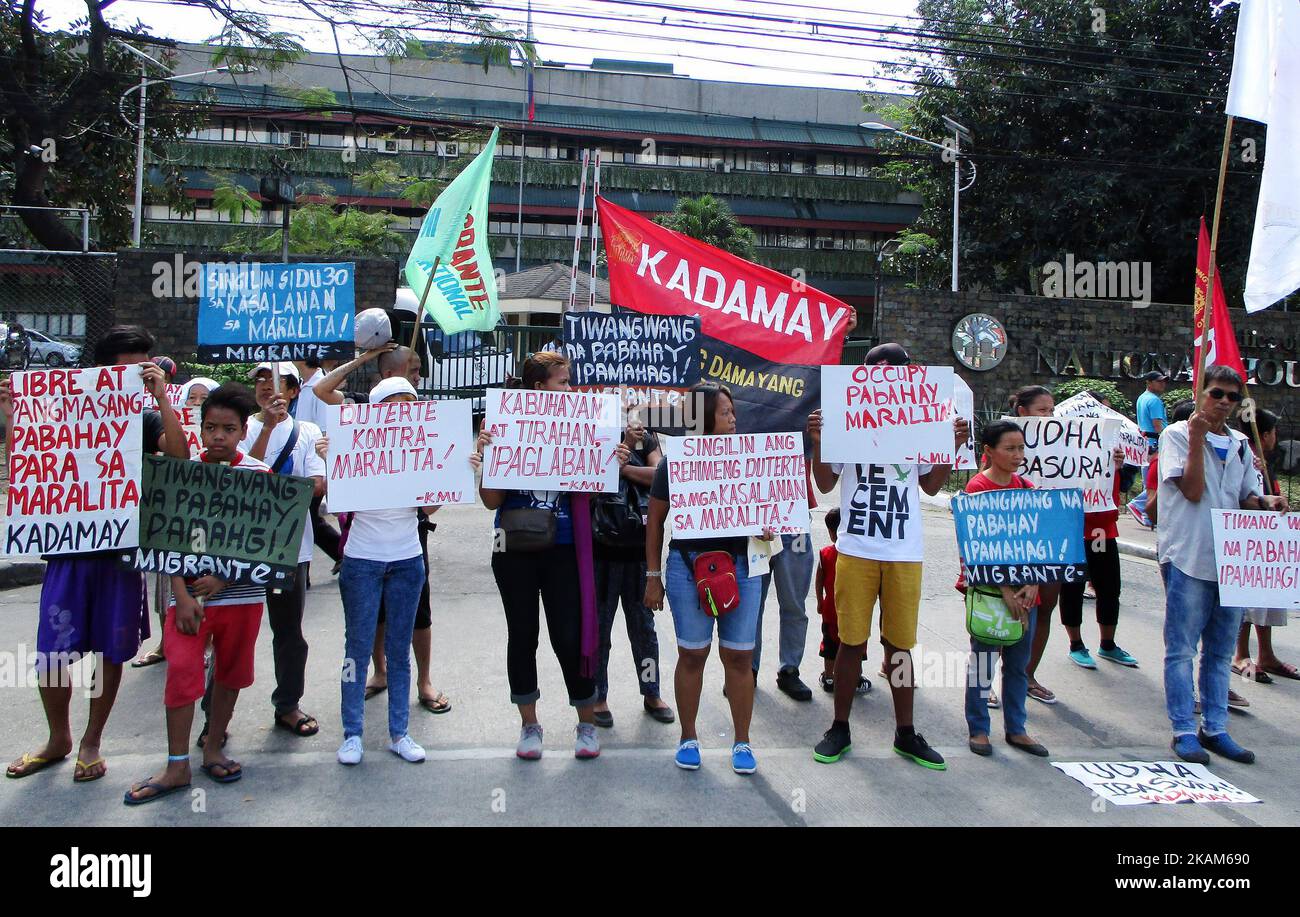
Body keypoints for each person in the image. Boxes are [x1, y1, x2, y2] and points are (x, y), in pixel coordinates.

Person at [6, 325, 186, 783]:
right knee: (51, 654)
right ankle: (58, 738)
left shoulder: (145, 419)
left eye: (145, 365)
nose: (138, 374)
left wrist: (162, 398)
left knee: (109, 651)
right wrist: (13, 410)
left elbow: (180, 456)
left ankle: (91, 741)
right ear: (105, 369)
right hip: (67, 551)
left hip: (120, 552)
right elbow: (31, 456)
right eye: (129, 366)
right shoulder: (60, 408)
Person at [808, 343, 969, 770]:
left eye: (891, 372)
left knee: (900, 646)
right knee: (849, 642)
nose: (882, 380)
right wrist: (820, 441)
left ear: (908, 376)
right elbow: (825, 484)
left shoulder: (919, 421)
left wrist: (950, 445)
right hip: (856, 548)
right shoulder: (847, 420)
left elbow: (932, 486)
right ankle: (839, 726)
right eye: (873, 372)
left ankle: (905, 732)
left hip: (904, 551)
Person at [476, 352, 628, 761]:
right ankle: (529, 724)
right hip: (513, 549)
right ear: (539, 387)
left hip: (565, 548)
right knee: (522, 635)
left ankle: (586, 722)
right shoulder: (505, 427)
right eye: (563, 382)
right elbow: (491, 500)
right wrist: (487, 455)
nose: (571, 389)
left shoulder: (580, 426)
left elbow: (594, 487)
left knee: (569, 635)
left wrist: (613, 462)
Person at [124, 383, 267, 804]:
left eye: (228, 428)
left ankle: (213, 746)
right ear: (199, 430)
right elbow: (167, 537)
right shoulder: (181, 472)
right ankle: (175, 764)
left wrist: (223, 579)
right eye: (210, 428)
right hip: (185, 600)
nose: (218, 436)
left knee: (231, 674)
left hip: (241, 598)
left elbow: (263, 540)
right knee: (181, 676)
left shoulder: (259, 475)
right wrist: (181, 594)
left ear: (243, 431)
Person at [1159, 366, 1286, 765]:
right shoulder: (1176, 436)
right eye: (1217, 394)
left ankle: (1215, 728)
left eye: (1233, 397)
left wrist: (1267, 503)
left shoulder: (1241, 445)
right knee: (1181, 650)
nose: (1225, 403)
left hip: (1232, 560)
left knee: (1218, 653)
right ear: (1200, 393)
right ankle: (1183, 729)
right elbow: (1193, 491)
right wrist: (1197, 436)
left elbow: (1246, 496)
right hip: (1189, 556)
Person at [645, 381, 766, 775]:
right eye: (724, 413)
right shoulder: (673, 463)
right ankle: (688, 736)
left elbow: (770, 511)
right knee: (692, 654)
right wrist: (653, 575)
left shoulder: (750, 457)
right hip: (687, 566)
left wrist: (768, 527)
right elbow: (656, 523)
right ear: (702, 418)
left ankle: (743, 742)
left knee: (740, 655)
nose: (733, 419)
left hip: (743, 567)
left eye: (734, 412)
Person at [336, 376, 436, 766]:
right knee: (356, 649)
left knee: (399, 650)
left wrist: (456, 473)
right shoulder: (355, 445)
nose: (400, 412)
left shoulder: (424, 449)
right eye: (392, 404)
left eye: (408, 404)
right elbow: (336, 499)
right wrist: (334, 458)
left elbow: (427, 510)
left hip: (408, 559)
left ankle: (399, 732)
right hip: (362, 560)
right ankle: (352, 734)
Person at [240, 362, 326, 738]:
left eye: (275, 381)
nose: (265, 386)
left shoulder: (306, 431)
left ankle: (288, 704)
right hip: (241, 547)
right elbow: (242, 476)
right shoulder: (240, 427)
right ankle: (214, 714)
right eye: (259, 380)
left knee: (288, 631)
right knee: (228, 630)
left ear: (293, 391)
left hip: (292, 547)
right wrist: (267, 429)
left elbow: (317, 485)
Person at [959, 420, 1049, 758]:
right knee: (983, 661)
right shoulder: (977, 489)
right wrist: (1006, 591)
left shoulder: (1028, 488)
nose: (1017, 455)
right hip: (991, 594)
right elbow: (974, 546)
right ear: (989, 451)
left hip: (1028, 596)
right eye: (1009, 448)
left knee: (1018, 664)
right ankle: (979, 728)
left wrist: (1032, 583)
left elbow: (1039, 543)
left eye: (1021, 448)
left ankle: (1017, 728)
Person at [590, 417, 675, 727]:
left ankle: (651, 692)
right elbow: (588, 477)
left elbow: (660, 475)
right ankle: (599, 696)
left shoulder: (647, 437)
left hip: (638, 551)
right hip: (601, 550)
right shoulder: (594, 430)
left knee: (644, 630)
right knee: (599, 629)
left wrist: (624, 468)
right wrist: (622, 446)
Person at [1004, 385, 1063, 706]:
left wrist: (1109, 466)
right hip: (1015, 533)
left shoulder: (1062, 441)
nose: (1049, 416)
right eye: (1043, 410)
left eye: (1053, 410)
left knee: (1045, 605)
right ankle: (994, 678)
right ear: (1022, 412)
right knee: (1006, 608)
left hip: (1051, 531)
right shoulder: (1007, 440)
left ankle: (1028, 674)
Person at [1058, 441, 1139, 670]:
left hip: (1102, 530)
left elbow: (1123, 486)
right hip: (1072, 530)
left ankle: (1108, 643)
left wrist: (1118, 466)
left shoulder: (1111, 451)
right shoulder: (1062, 450)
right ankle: (1076, 645)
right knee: (1072, 587)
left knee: (1109, 587)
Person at [1232, 408, 1298, 684]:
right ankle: (1241, 655)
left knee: (1266, 596)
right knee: (1244, 598)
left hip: (1266, 539)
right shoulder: (1242, 455)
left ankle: (1267, 655)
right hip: (1244, 537)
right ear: (1267, 434)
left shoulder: (1261, 461)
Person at [291, 356, 343, 565]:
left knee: (310, 519)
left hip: (314, 460)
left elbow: (324, 428)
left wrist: (323, 465)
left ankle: (341, 554)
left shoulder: (316, 386)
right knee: (310, 519)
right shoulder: (303, 385)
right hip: (303, 458)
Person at [814, 509, 870, 695]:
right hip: (857, 609)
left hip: (831, 610)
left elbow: (819, 579)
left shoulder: (825, 553)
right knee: (857, 644)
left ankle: (829, 676)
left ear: (831, 532)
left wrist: (820, 600)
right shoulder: (861, 554)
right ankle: (856, 676)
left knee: (830, 645)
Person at [1131, 371, 1169, 527]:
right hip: (1155, 444)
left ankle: (1146, 515)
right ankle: (1139, 505)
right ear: (1149, 382)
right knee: (1158, 482)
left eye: (1164, 381)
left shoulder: (1142, 398)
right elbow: (1157, 425)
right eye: (1159, 381)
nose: (1162, 384)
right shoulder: (1154, 401)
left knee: (1150, 481)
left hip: (1145, 444)